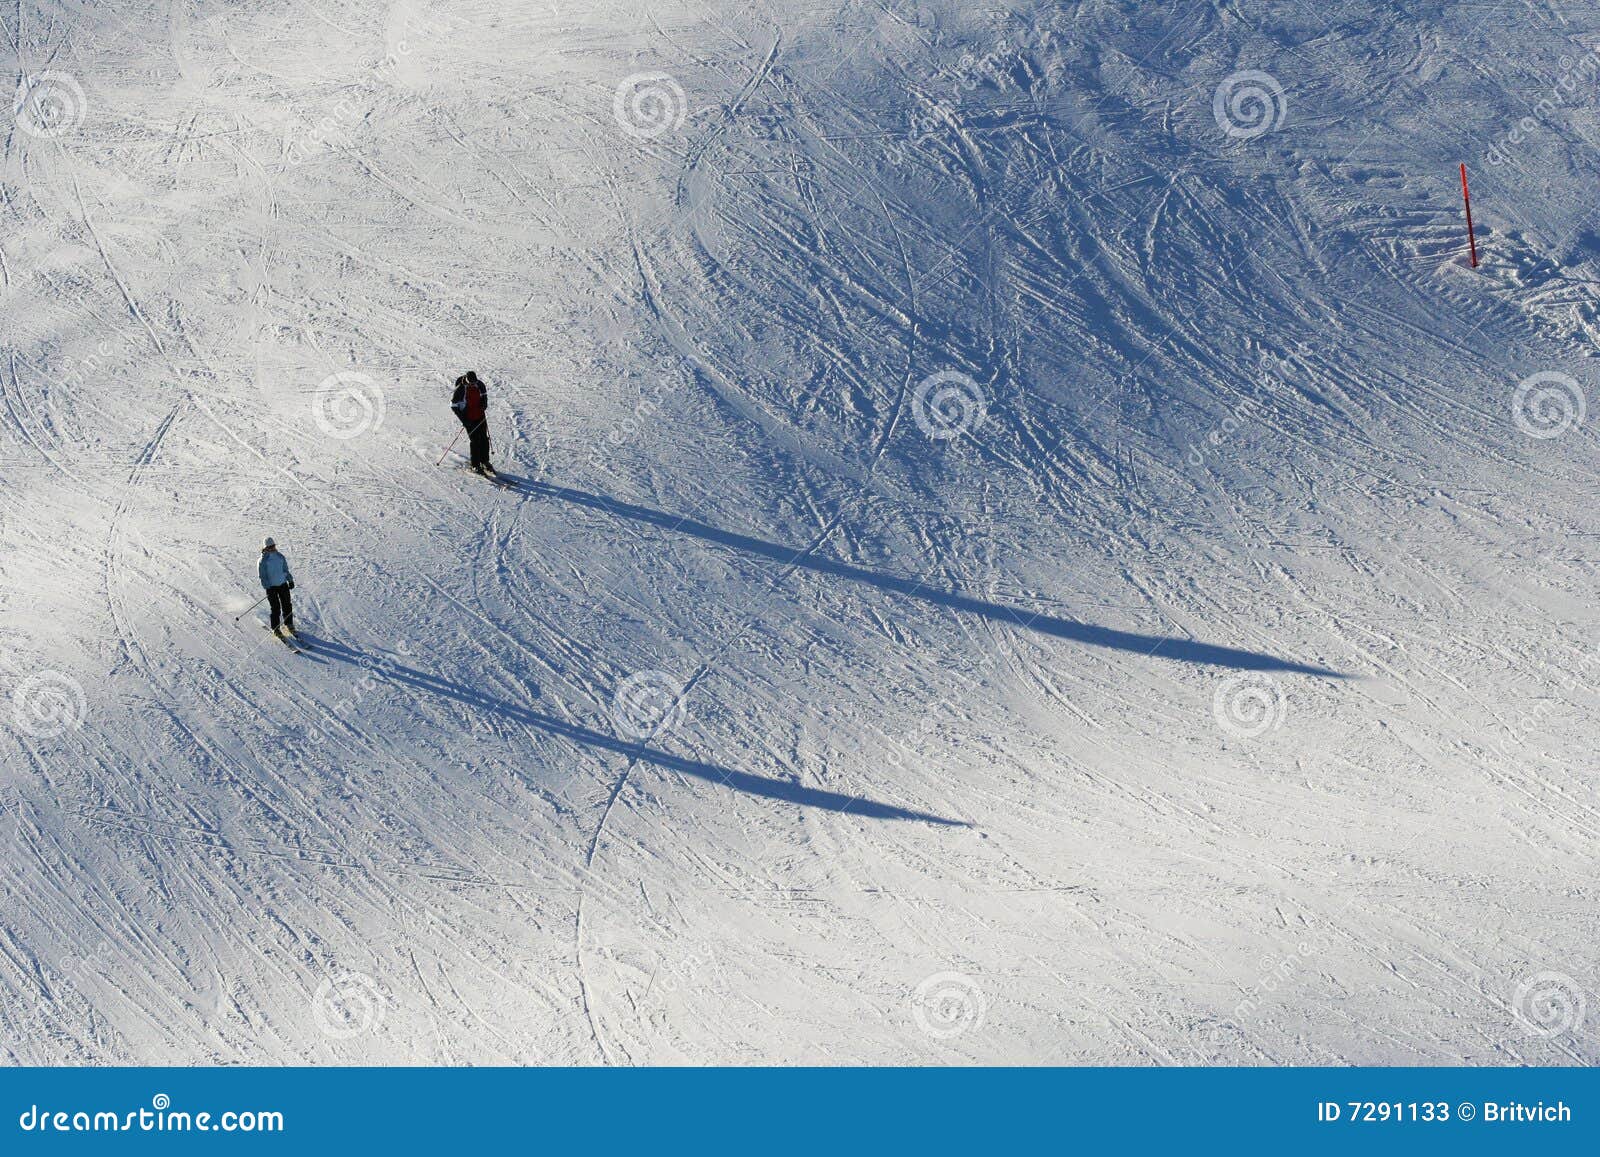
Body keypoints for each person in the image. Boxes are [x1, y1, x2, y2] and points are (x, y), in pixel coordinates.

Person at [451, 370, 493, 474]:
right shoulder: (460, 389)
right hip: (469, 418)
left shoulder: (480, 384)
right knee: (475, 441)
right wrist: (464, 420)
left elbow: (484, 395)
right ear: (467, 380)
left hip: (480, 416)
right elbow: (454, 406)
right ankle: (475, 465)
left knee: (484, 439)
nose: (473, 384)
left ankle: (485, 461)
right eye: (471, 383)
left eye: (474, 383)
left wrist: (484, 404)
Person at [258, 537, 296, 635]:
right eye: (270, 547)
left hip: (283, 584)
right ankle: (276, 628)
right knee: (275, 608)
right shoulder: (262, 561)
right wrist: (268, 587)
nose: (272, 548)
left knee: (287, 605)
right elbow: (262, 576)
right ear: (265, 548)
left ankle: (289, 624)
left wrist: (290, 580)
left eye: (273, 546)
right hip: (272, 588)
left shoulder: (280, 556)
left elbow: (285, 570)